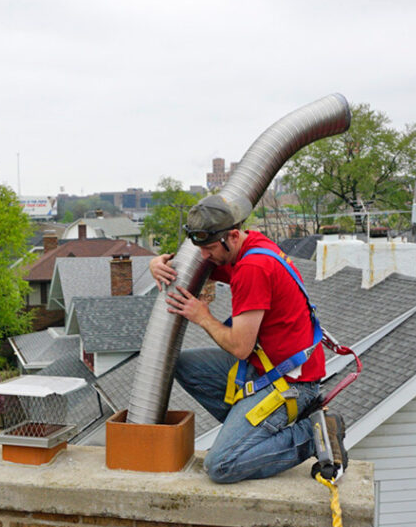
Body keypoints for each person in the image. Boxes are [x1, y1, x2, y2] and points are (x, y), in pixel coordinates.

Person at [148, 192, 346, 484]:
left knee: (221, 465)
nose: (204, 256)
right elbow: (208, 265)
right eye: (199, 248)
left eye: (210, 248)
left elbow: (240, 347)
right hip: (266, 367)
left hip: (291, 383)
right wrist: (159, 263)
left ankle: (311, 433)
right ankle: (248, 430)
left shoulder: (253, 269)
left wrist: (202, 316)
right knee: (181, 364)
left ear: (233, 235)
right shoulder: (250, 246)